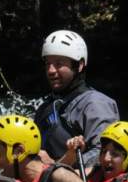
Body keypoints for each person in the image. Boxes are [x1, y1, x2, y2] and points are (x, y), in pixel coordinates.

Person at [32, 30, 119, 171]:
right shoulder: (45, 108)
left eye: (59, 64)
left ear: (79, 65)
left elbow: (103, 153)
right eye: (48, 64)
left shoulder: (96, 104)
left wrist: (56, 166)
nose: (50, 70)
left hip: (78, 181)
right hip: (47, 179)